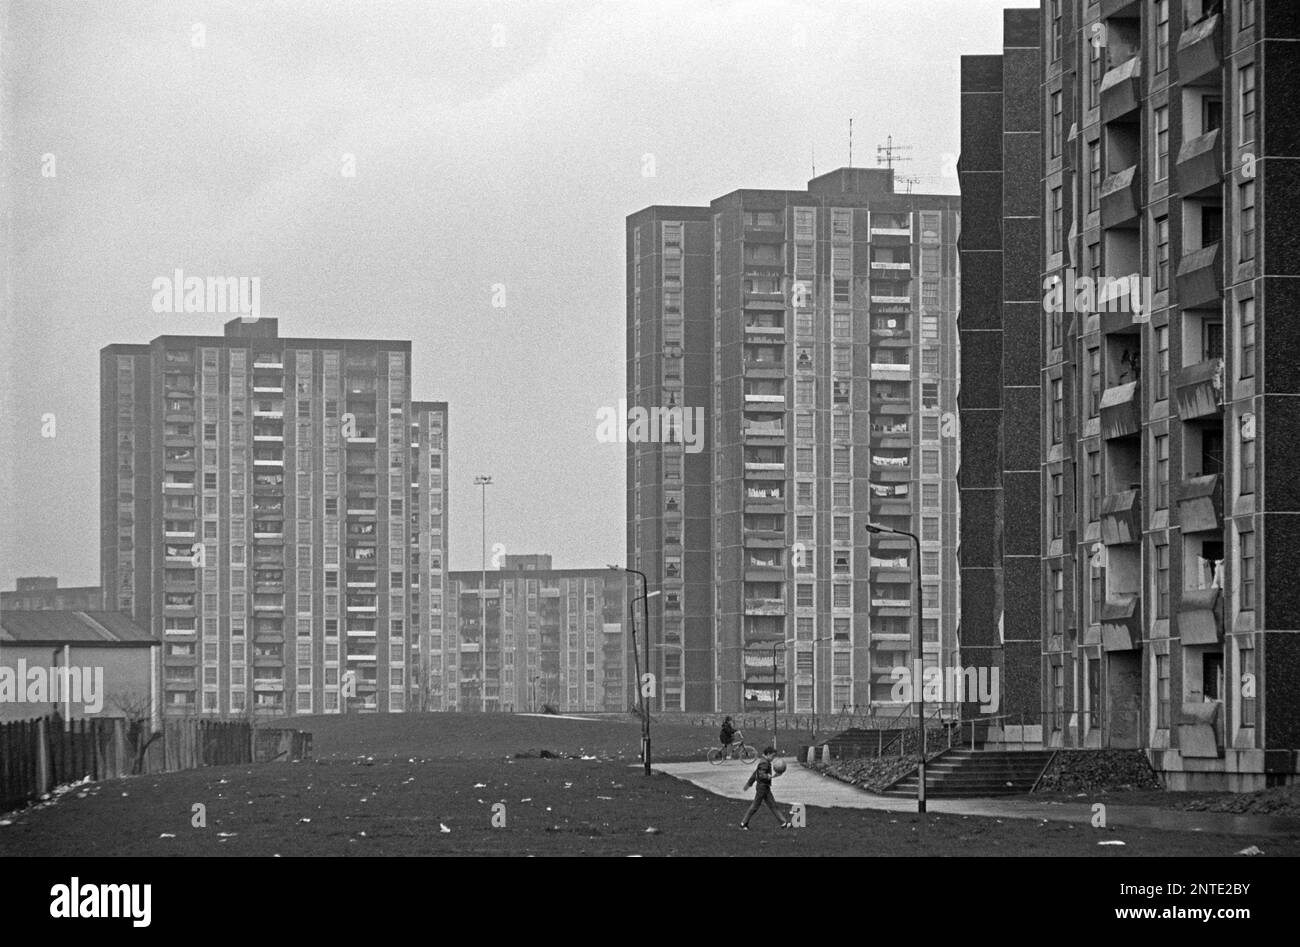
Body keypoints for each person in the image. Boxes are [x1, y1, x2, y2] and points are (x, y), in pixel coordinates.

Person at [741, 746, 790, 830]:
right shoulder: (764, 763)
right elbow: (760, 775)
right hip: (762, 787)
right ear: (768, 754)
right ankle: (743, 823)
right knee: (755, 805)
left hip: (765, 787)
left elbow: (755, 774)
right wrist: (769, 776)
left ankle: (784, 823)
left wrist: (749, 784)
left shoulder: (764, 761)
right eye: (773, 756)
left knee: (773, 805)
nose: (773, 758)